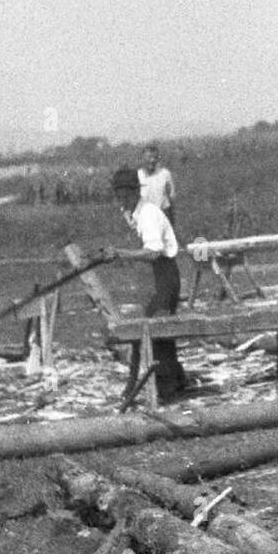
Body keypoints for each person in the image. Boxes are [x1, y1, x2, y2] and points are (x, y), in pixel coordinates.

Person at [109, 166, 189, 397]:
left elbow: (154, 252)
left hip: (164, 273)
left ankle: (166, 387)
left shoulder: (148, 213)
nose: (122, 200)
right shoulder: (131, 212)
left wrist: (121, 254)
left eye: (126, 195)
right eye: (119, 195)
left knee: (159, 329)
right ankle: (177, 378)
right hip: (154, 275)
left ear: (136, 192)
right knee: (159, 328)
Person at [138, 144, 176, 230]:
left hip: (164, 214)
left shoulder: (165, 174)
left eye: (155, 157)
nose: (152, 160)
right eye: (149, 157)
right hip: (145, 217)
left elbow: (172, 195)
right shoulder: (137, 176)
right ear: (142, 158)